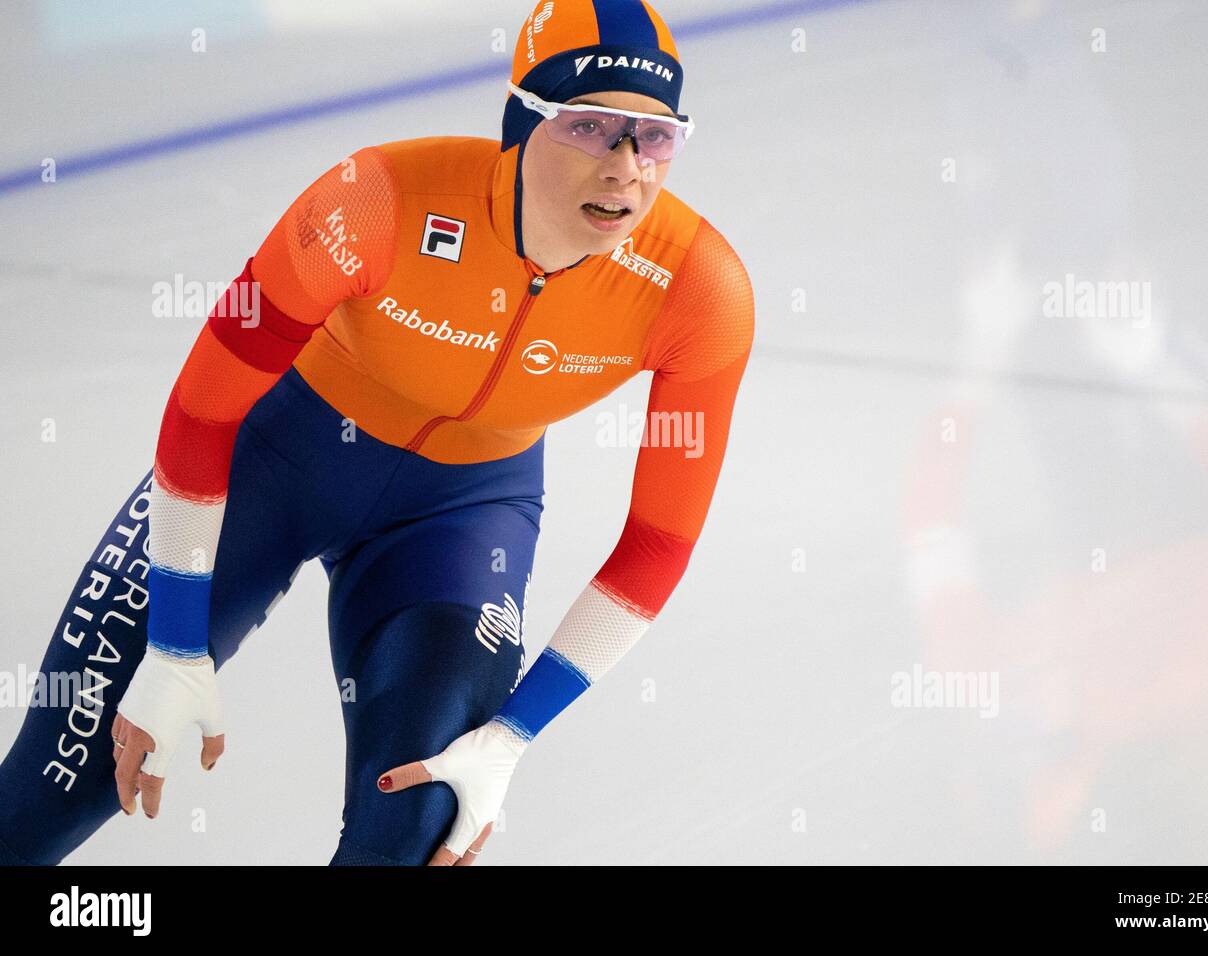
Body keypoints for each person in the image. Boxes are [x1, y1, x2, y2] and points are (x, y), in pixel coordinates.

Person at [0, 0, 754, 867]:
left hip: (462, 519)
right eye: (590, 127)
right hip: (278, 460)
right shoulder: (376, 201)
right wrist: (174, 642)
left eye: (654, 137)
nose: (625, 167)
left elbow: (656, 546)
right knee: (53, 791)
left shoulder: (700, 290)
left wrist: (512, 733)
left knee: (416, 819)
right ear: (521, 122)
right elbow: (202, 412)